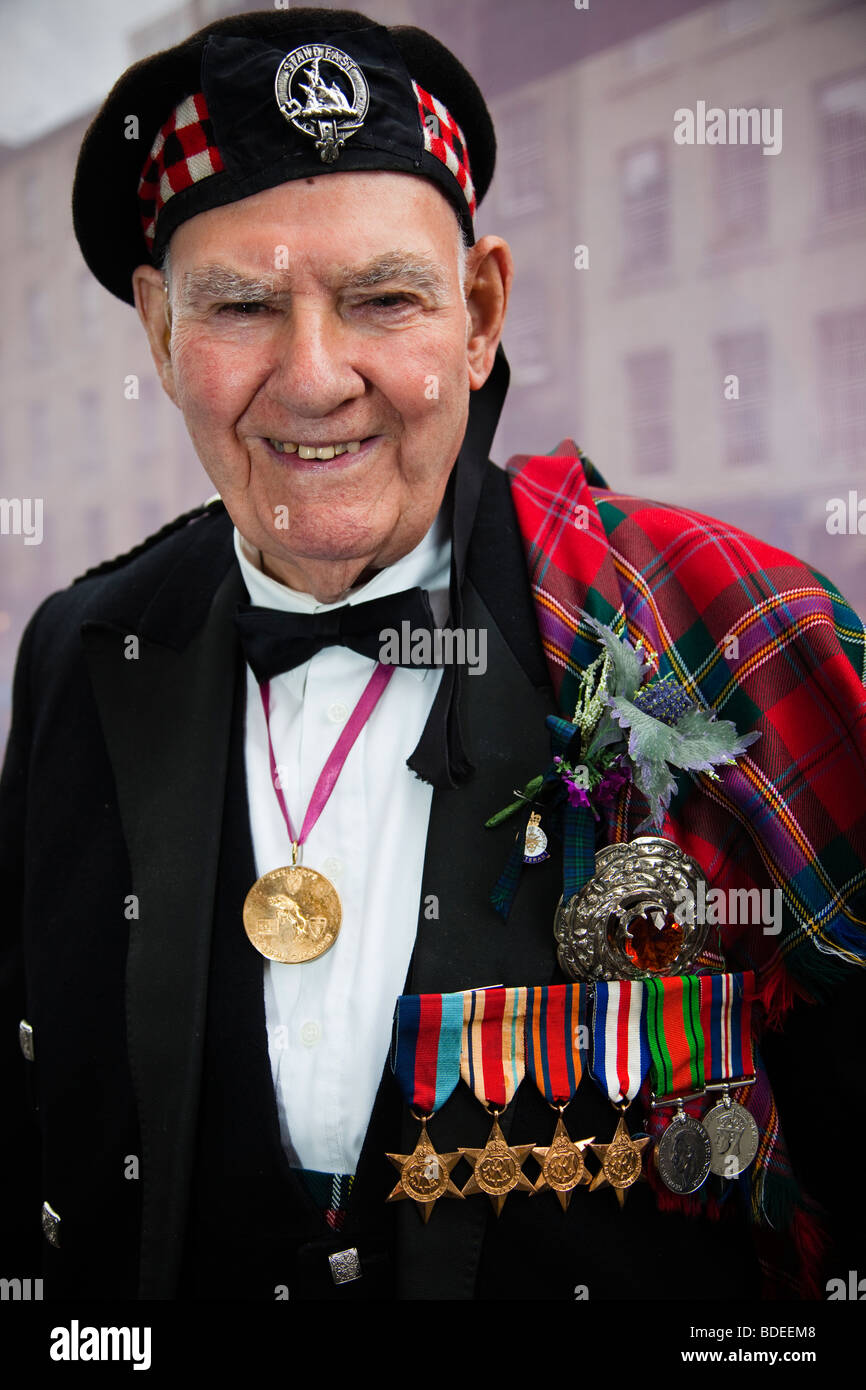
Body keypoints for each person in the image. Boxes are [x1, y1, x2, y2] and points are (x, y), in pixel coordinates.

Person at [1, 7, 864, 1306]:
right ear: (160, 333)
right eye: (239, 304)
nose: (313, 375)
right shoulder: (78, 648)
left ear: (476, 313)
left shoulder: (729, 621)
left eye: (381, 298)